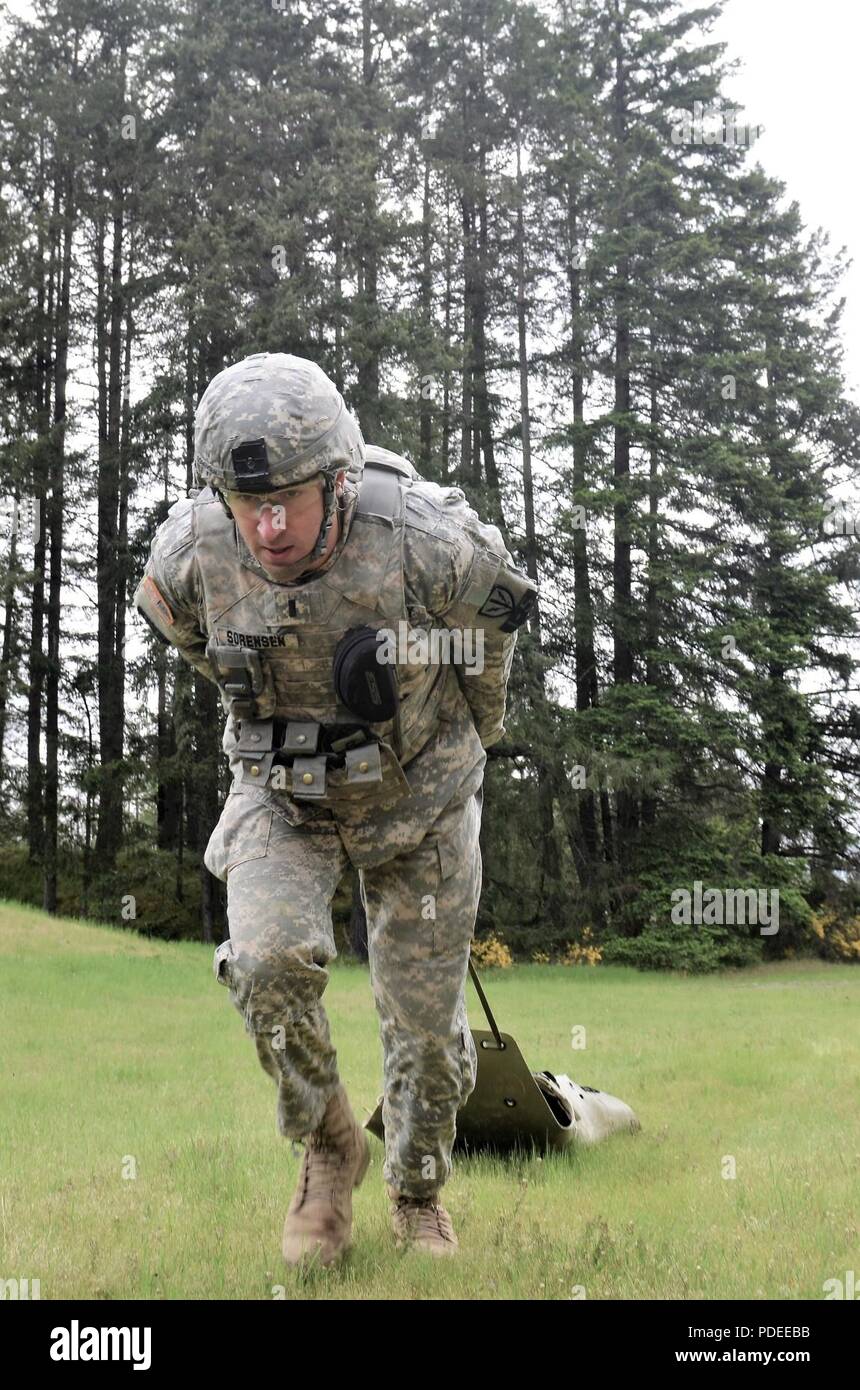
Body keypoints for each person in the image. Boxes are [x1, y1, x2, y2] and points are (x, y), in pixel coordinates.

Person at [133, 351, 538, 1265]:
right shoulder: (190, 555)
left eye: (288, 499)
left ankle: (418, 1192)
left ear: (340, 482)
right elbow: (193, 643)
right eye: (247, 505)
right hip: (285, 800)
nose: (267, 528)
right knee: (266, 963)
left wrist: (465, 745)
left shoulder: (427, 542)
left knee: (427, 1031)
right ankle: (327, 1147)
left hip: (421, 804)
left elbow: (492, 646)